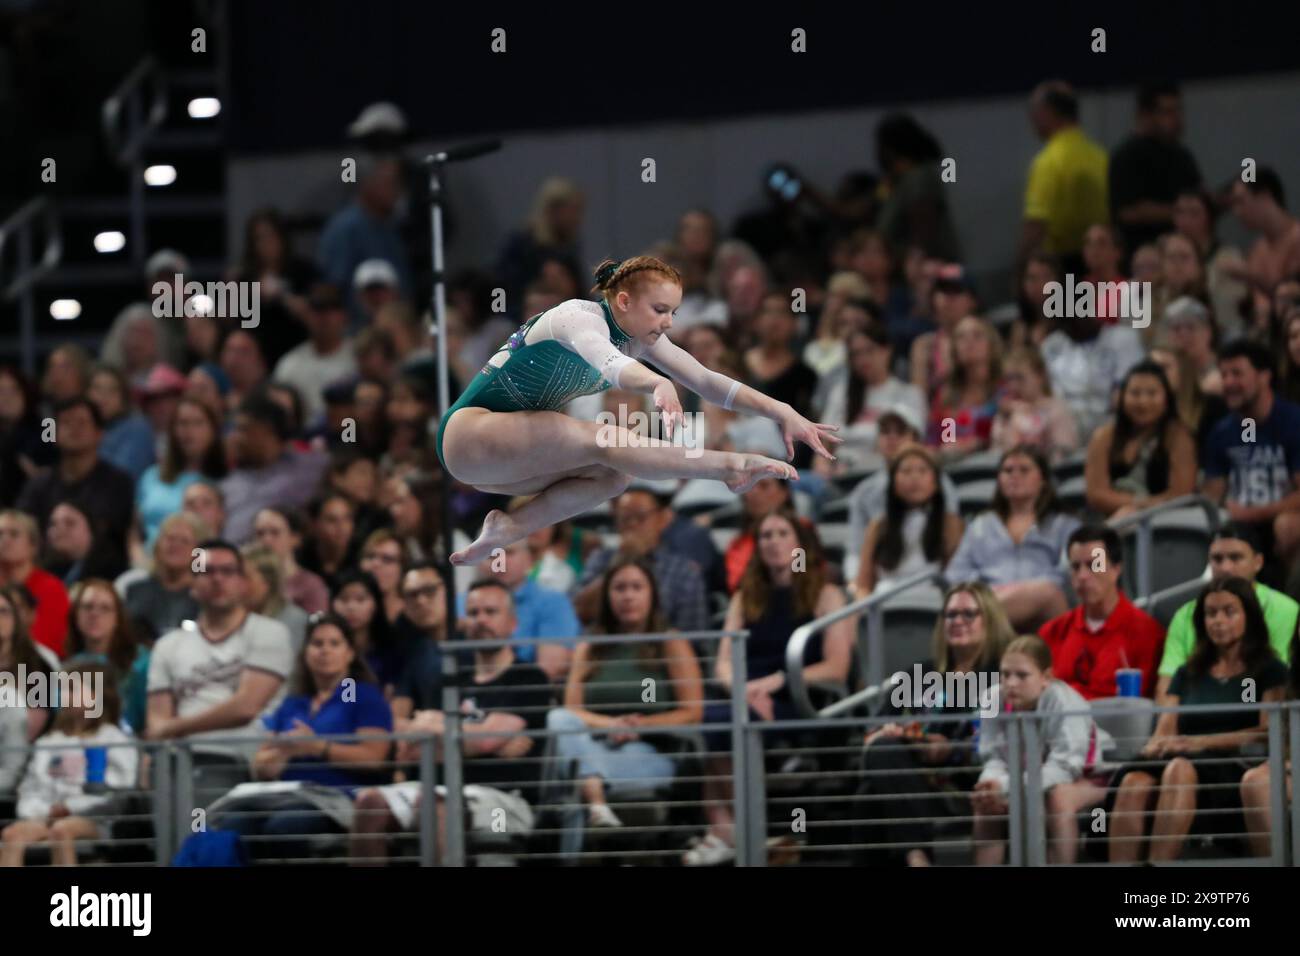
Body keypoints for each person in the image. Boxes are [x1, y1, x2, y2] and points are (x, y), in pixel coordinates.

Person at [438, 256, 838, 567]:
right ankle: (728, 467)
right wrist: (656, 382)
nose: (667, 323)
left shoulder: (639, 337)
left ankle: (508, 528)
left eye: (673, 313)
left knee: (614, 476)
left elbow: (708, 381)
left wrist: (782, 410)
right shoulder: (577, 317)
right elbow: (609, 364)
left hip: (503, 466)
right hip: (469, 434)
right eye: (660, 309)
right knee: (604, 438)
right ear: (624, 301)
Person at [689, 507, 854, 865]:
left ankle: (734, 831)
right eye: (766, 535)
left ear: (801, 544)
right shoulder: (744, 597)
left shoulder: (826, 594)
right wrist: (743, 690)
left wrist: (779, 680)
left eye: (782, 533)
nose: (774, 542)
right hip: (748, 697)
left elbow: (837, 668)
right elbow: (723, 661)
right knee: (712, 717)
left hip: (802, 698)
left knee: (723, 721)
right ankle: (735, 830)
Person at [351, 580, 555, 863]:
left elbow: (484, 740)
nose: (480, 620)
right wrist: (476, 739)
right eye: (473, 613)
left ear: (512, 623)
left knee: (434, 806)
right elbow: (411, 749)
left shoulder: (529, 678)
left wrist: (435, 727)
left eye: (490, 612)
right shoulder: (449, 680)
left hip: (501, 799)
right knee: (369, 803)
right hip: (437, 788)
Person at [1108, 577, 1288, 863]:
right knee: (1133, 782)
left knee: (1179, 768)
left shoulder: (1268, 669)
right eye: (1210, 613)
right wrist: (1155, 746)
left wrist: (1201, 742)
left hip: (1233, 766)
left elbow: (1266, 732)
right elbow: (1166, 728)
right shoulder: (1188, 671)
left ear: (1249, 617)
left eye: (1229, 612)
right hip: (1182, 759)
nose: (1218, 621)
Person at [852, 582, 1013, 866]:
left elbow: (1009, 741)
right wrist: (892, 734)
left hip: (970, 783)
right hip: (913, 779)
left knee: (870, 797)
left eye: (968, 614)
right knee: (884, 752)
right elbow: (872, 731)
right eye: (950, 615)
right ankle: (917, 857)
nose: (957, 621)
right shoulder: (919, 674)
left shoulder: (1004, 674)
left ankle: (917, 857)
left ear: (989, 619)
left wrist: (951, 750)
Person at [548, 555, 703, 846]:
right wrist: (611, 724)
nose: (628, 596)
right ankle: (597, 803)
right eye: (619, 588)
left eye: (636, 587)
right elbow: (571, 711)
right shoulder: (590, 646)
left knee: (568, 783)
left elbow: (692, 712)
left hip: (649, 752)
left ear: (652, 594)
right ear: (607, 596)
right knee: (557, 719)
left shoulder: (669, 641)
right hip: (593, 746)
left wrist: (642, 724)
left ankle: (592, 804)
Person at [212, 613, 392, 862]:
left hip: (336, 798)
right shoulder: (293, 702)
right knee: (234, 822)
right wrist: (280, 755)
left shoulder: (358, 695)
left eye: (334, 643)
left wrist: (317, 747)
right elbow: (261, 765)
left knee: (284, 826)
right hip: (284, 795)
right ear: (306, 653)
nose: (324, 651)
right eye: (317, 644)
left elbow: (374, 759)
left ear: (350, 653)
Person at [145, 540, 293, 776]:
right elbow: (156, 725)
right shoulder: (168, 645)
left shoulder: (269, 632)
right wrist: (168, 732)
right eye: (207, 571)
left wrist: (176, 727)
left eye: (227, 571)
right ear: (192, 583)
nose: (217, 579)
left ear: (243, 583)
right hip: (179, 763)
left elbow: (246, 708)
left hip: (240, 762)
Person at [972, 635, 1109, 865]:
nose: (1011, 683)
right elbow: (993, 757)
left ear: (1045, 677)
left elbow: (1066, 768)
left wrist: (1007, 787)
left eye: (1022, 675)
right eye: (1005, 674)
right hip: (1026, 778)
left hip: (1090, 778)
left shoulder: (1065, 702)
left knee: (1058, 799)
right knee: (987, 808)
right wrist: (991, 785)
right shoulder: (991, 699)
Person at [0, 664, 137, 867]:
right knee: (12, 834)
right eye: (62, 689)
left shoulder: (113, 739)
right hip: (45, 816)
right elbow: (30, 788)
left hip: (93, 821)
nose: (64, 695)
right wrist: (43, 811)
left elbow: (119, 786)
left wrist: (70, 808)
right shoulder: (49, 741)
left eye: (72, 689)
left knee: (62, 830)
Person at [945, 446, 1079, 631]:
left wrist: (1026, 590)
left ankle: (971, 624)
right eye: (1008, 470)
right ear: (999, 480)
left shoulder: (1064, 524)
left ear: (1043, 480)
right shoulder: (981, 525)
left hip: (1047, 604)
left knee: (1047, 592)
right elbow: (956, 573)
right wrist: (989, 589)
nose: (1014, 476)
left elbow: (1070, 570)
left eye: (1024, 470)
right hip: (992, 597)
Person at [1156, 523, 1296, 699]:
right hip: (1193, 714)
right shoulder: (1184, 615)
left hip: (1252, 703)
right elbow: (1167, 685)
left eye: (1235, 558)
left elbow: (1276, 682)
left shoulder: (1287, 610)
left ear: (1258, 562)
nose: (1226, 568)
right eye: (1217, 559)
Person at [1202, 339, 1300, 586]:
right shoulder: (1221, 431)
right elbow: (1213, 493)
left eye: (1237, 373)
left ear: (1264, 376)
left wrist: (1255, 513)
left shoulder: (1293, 422)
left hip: (1280, 522)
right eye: (1224, 375)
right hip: (1239, 525)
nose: (1228, 383)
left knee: (1287, 526)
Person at [1039, 524, 1165, 699]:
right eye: (1076, 567)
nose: (1082, 576)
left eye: (1093, 565)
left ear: (1116, 569)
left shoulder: (1148, 634)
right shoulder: (1051, 633)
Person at [16, 396, 135, 574]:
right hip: (43, 572)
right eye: (66, 422)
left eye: (82, 422)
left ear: (99, 433)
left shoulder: (119, 483)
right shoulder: (39, 485)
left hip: (103, 575)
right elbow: (24, 530)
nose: (74, 429)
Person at [572, 488, 710, 635]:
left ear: (663, 519)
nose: (632, 524)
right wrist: (622, 559)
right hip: (606, 649)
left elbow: (693, 634)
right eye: (625, 517)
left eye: (641, 517)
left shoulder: (683, 571)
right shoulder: (600, 559)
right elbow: (579, 611)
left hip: (663, 652)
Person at [845, 408, 959, 583]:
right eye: (885, 431)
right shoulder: (866, 497)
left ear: (915, 436)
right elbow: (855, 551)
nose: (892, 437)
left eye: (900, 431)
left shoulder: (944, 490)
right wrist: (855, 586)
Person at [1018, 80, 1109, 276]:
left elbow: (1035, 225)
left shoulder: (1049, 163)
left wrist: (1021, 270)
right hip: (1101, 265)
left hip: (1063, 268)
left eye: (1034, 111)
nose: (1031, 119)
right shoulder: (1100, 156)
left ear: (1047, 113)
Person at [1084, 360, 1197, 518]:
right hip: (1111, 522)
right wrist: (1137, 504)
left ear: (1167, 398)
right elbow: (1096, 494)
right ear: (1122, 397)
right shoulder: (1103, 437)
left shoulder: (1179, 437)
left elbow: (1180, 496)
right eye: (1135, 393)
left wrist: (1140, 508)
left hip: (1166, 524)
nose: (1143, 402)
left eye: (1152, 393)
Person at [1108, 80, 1202, 260]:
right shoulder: (1127, 156)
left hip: (1180, 257)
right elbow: (1127, 211)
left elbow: (1199, 193)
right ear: (1145, 115)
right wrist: (1182, 212)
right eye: (1167, 112)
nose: (1176, 118)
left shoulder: (1182, 155)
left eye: (1178, 110)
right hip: (1141, 258)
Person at [464, 537, 581, 681]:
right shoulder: (459, 602)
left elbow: (550, 669)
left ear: (528, 559)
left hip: (523, 694)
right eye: (491, 554)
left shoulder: (553, 602)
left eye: (509, 552)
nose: (499, 562)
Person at [220, 392, 329, 545]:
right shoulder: (229, 482)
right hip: (229, 558)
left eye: (243, 429)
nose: (235, 437)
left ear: (267, 431)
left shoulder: (310, 467)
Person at [853, 445, 963, 597]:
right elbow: (863, 585)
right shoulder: (878, 526)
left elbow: (956, 579)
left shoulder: (951, 524)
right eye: (906, 471)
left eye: (922, 471)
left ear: (936, 482)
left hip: (933, 601)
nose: (914, 478)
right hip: (886, 603)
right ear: (893, 482)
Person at [818, 323, 927, 475]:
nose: (863, 359)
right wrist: (823, 470)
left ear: (886, 350)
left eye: (869, 350)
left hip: (885, 473)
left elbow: (912, 447)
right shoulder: (841, 393)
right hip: (839, 475)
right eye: (856, 354)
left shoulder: (909, 394)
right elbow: (823, 447)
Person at [317, 154, 414, 322]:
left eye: (399, 184)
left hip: (396, 329)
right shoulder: (345, 228)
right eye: (390, 184)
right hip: (358, 335)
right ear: (368, 184)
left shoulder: (391, 226)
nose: (397, 192)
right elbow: (332, 289)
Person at [134, 397, 227, 556]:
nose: (189, 431)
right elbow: (134, 532)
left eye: (198, 423)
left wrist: (198, 572)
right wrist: (138, 561)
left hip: (196, 565)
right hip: (149, 563)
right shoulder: (151, 476)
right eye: (183, 423)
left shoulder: (224, 481)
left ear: (213, 430)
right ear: (172, 430)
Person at [1040, 300, 1145, 438]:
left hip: (1113, 421)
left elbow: (1127, 392)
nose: (1077, 320)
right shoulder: (1052, 345)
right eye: (1069, 318)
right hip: (1066, 423)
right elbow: (1046, 394)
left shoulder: (1123, 338)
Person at [873, 113, 961, 261]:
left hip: (926, 270)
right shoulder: (896, 181)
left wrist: (916, 264)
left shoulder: (919, 178)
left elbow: (923, 234)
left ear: (890, 150)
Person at [272, 284, 359, 428]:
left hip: (348, 436)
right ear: (307, 316)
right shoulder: (290, 363)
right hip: (303, 440)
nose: (324, 318)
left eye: (331, 310)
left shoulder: (358, 357)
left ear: (344, 315)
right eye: (317, 310)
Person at [1173, 188, 1249, 340]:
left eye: (1194, 213)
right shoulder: (1164, 256)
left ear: (1210, 218)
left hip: (1219, 335)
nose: (1185, 220)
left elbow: (1229, 316)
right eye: (1180, 212)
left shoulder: (1229, 259)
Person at [925, 315, 1002, 459]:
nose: (969, 342)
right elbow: (938, 440)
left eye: (977, 335)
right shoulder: (945, 395)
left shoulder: (1005, 390)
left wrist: (977, 443)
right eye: (961, 337)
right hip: (954, 468)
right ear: (954, 349)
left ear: (991, 345)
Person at [122, 512, 205, 643]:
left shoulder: (204, 598)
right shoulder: (134, 589)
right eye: (170, 538)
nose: (176, 545)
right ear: (157, 545)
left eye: (184, 541)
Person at [0, 509, 69, 656]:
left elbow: (51, 641)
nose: (5, 540)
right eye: (0, 534)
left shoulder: (51, 588)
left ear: (33, 546)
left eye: (14, 534)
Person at [990, 347, 1078, 462]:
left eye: (1019, 378)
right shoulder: (1005, 413)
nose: (1013, 385)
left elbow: (1064, 453)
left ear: (1040, 376)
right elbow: (996, 453)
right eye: (1009, 379)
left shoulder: (1056, 408)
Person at [1226, 168, 1300, 298]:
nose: (1237, 212)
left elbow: (1291, 294)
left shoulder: (1296, 238)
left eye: (1241, 201)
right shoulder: (1258, 249)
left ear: (1264, 196)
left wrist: (1253, 276)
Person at [0, 583, 55, 747]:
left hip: (24, 752)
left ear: (15, 619)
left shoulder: (39, 666)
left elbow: (31, 729)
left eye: (3, 612)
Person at [331, 569, 402, 697]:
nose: (351, 607)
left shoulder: (391, 651)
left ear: (375, 604)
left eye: (360, 599)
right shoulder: (326, 651)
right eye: (344, 599)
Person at [909, 267, 977, 399]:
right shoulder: (924, 345)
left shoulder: (987, 339)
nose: (949, 298)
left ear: (972, 301)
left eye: (957, 291)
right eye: (944, 290)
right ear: (933, 299)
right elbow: (918, 398)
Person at [251, 507, 330, 615]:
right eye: (260, 533)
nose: (266, 540)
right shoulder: (246, 582)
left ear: (295, 538)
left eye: (275, 532)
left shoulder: (311, 585)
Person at [86, 364, 155, 480]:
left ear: (123, 397)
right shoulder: (83, 429)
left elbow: (123, 476)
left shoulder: (137, 428)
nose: (103, 396)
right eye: (97, 388)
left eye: (111, 390)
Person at [241, 544, 310, 656]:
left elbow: (288, 667)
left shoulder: (294, 620)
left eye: (245, 578)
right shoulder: (231, 616)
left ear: (267, 583)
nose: (237, 584)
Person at [45, 500, 121, 585]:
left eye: (70, 523)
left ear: (91, 529)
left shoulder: (112, 569)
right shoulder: (46, 573)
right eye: (53, 524)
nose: (60, 529)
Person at [298, 492, 360, 595]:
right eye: (332, 520)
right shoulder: (300, 562)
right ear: (314, 525)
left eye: (347, 519)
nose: (341, 527)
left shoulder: (362, 558)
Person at [358, 528, 407, 625]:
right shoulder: (351, 615)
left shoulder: (412, 613)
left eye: (387, 559)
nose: (375, 564)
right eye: (370, 556)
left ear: (402, 568)